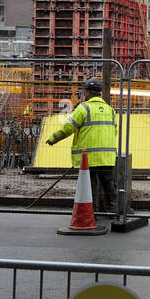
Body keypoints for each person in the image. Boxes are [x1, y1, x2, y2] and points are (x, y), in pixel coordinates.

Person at [46, 78, 117, 213]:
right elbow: (115, 131)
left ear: (88, 92)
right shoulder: (110, 110)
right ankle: (114, 213)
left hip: (89, 158)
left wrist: (53, 138)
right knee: (109, 186)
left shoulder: (83, 108)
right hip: (107, 157)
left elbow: (68, 127)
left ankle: (92, 214)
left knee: (90, 188)